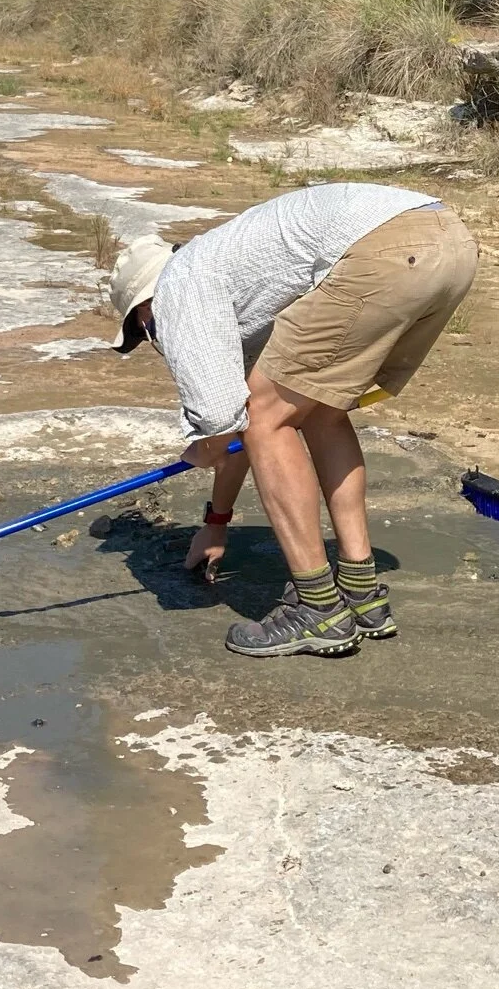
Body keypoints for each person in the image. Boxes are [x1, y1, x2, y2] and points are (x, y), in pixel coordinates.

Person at [109, 182, 479, 656]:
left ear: (145, 308)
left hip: (384, 248)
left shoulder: (179, 286)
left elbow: (230, 423)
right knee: (320, 411)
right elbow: (247, 424)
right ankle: (362, 594)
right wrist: (217, 521)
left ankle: (318, 610)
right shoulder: (231, 277)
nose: (154, 339)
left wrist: (202, 449)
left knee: (269, 417)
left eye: (144, 332)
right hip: (449, 240)